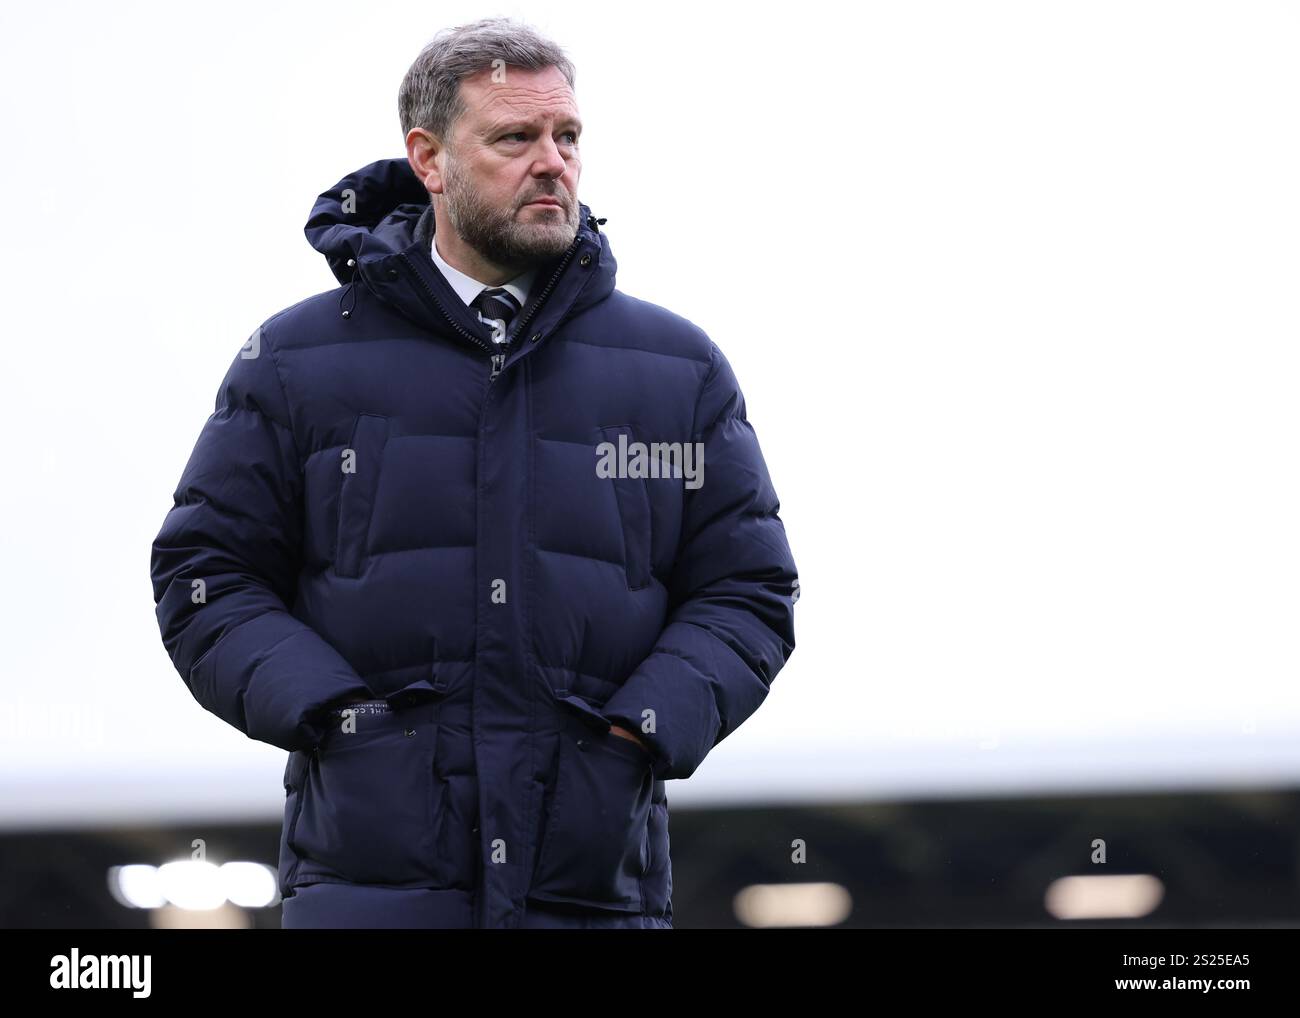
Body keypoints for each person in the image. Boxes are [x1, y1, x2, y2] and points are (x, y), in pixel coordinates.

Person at [149, 16, 798, 929]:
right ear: (428, 157)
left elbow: (749, 591)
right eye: (515, 138)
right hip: (367, 891)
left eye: (567, 137)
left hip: (591, 893)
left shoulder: (678, 367)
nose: (553, 163)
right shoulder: (293, 360)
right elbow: (205, 577)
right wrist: (344, 723)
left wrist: (634, 736)